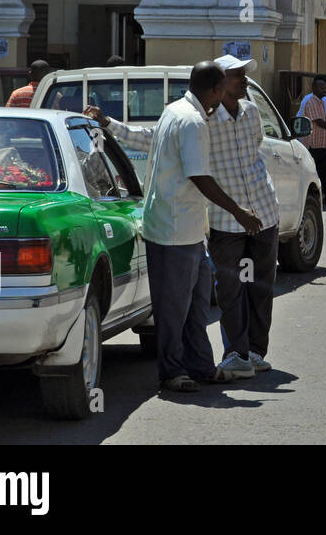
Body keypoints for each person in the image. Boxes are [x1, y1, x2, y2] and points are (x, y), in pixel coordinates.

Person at [92, 56, 279, 378]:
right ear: (219, 86)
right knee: (221, 294)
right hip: (215, 221)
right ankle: (226, 356)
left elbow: (254, 151)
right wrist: (110, 124)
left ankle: (238, 357)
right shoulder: (198, 119)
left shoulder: (245, 114)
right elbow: (163, 148)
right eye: (237, 77)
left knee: (249, 291)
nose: (245, 82)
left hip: (253, 211)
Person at [139, 61, 261, 392]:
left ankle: (201, 366)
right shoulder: (191, 121)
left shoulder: (176, 110)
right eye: (223, 87)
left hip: (189, 228)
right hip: (172, 228)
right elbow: (199, 176)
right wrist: (239, 212)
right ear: (214, 91)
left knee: (197, 305)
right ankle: (172, 372)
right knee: (174, 308)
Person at [297, 75, 326, 207]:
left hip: (321, 144)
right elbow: (319, 122)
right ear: (313, 88)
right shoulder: (311, 101)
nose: (324, 90)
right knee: (315, 173)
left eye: (325, 88)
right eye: (321, 87)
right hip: (312, 145)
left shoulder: (322, 101)